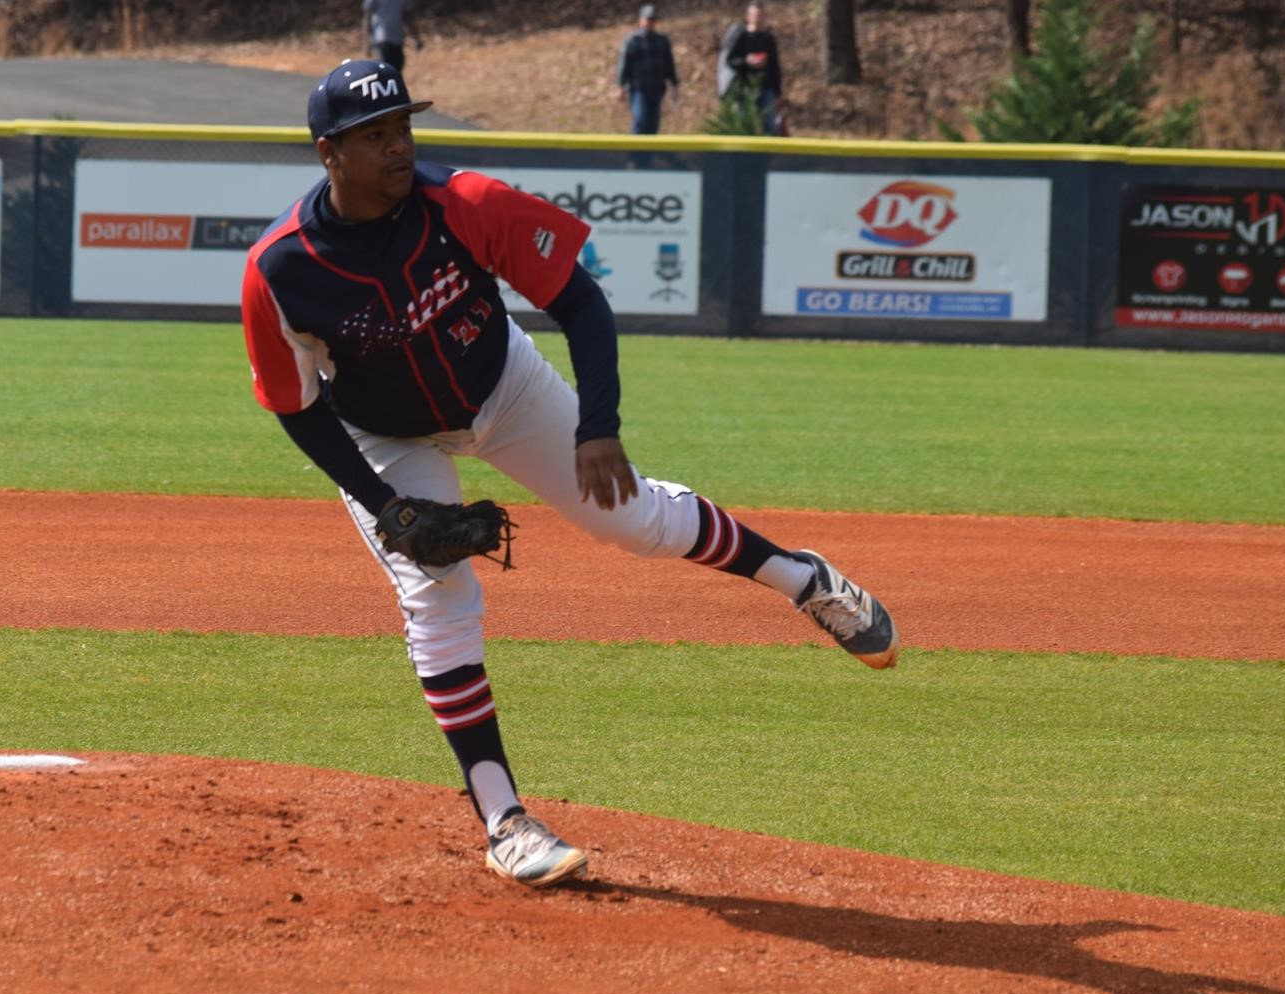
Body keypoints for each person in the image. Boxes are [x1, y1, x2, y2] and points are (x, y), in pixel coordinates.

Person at [239, 60, 897, 889]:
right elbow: (297, 406)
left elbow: (580, 301)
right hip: (385, 434)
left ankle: (802, 579)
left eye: (404, 126)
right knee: (437, 592)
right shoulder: (279, 270)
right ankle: (505, 820)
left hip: (502, 384)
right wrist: (386, 506)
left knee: (634, 520)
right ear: (329, 153)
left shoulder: (465, 203)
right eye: (375, 135)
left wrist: (598, 427)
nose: (399, 145)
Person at [720, 1, 785, 135]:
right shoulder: (741, 37)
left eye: (760, 15)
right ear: (748, 17)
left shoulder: (768, 39)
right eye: (755, 15)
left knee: (770, 123)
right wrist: (746, 61)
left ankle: (768, 147)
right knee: (742, 123)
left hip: (765, 87)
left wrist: (777, 92)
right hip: (743, 88)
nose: (758, 18)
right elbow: (730, 61)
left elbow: (775, 66)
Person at [615, 4, 678, 135]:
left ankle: (649, 149)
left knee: (653, 123)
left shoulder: (662, 40)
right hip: (639, 88)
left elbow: (669, 63)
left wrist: (674, 82)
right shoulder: (633, 40)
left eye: (652, 19)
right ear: (641, 20)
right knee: (640, 119)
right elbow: (624, 64)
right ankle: (635, 148)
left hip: (657, 88)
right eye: (647, 19)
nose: (650, 22)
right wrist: (621, 86)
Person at [362, 0, 422, 74]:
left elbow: (408, 18)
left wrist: (416, 38)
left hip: (397, 39)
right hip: (381, 39)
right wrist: (366, 42)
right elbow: (367, 18)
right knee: (384, 70)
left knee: (396, 71)